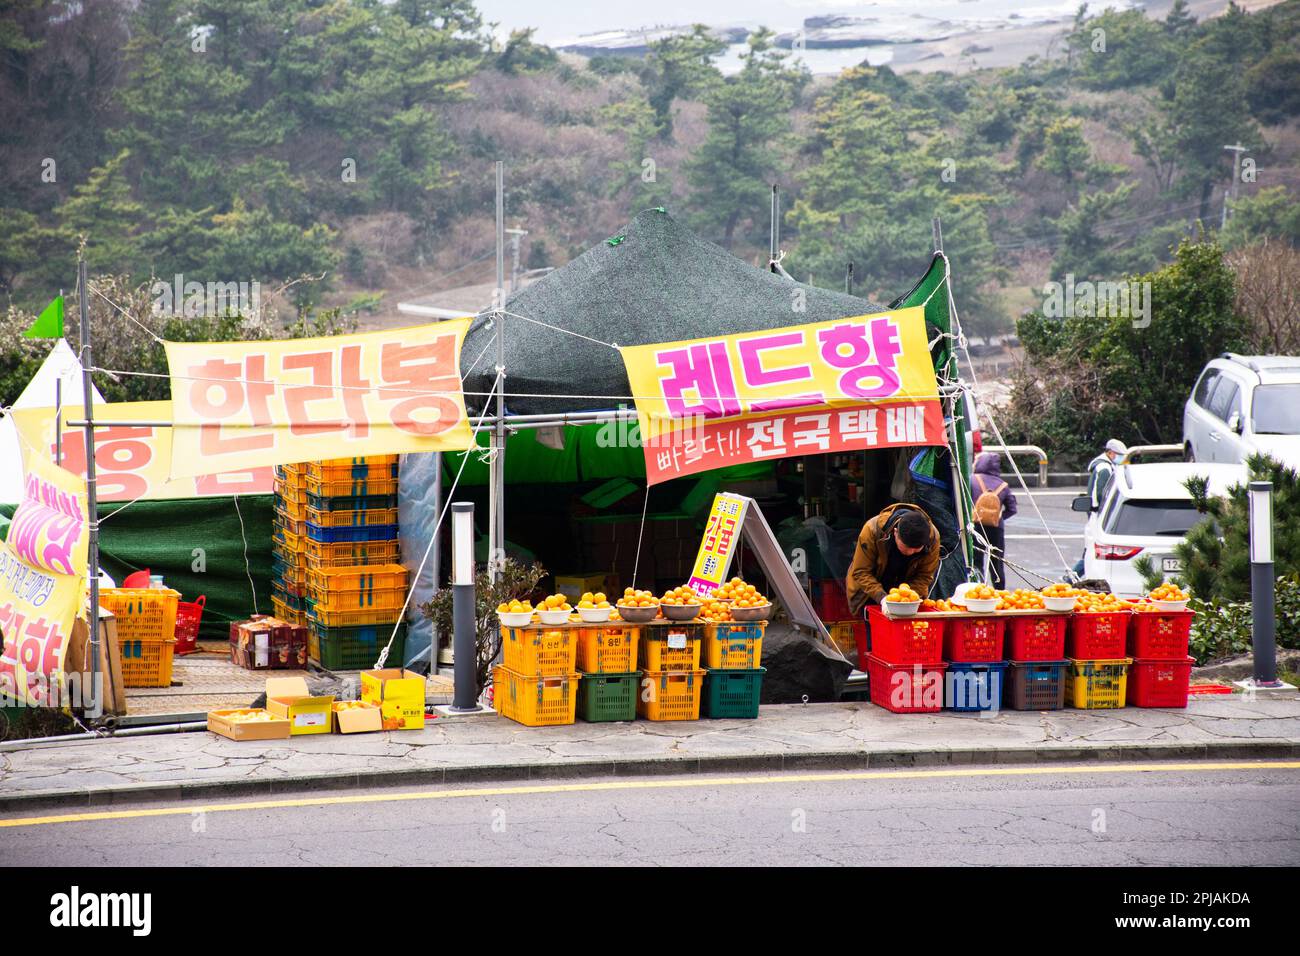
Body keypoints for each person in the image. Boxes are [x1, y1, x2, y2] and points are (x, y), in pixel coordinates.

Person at [846, 503, 941, 616]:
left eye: (916, 549)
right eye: (906, 547)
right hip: (871, 593)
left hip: (907, 599)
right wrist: (882, 598)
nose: (910, 552)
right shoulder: (872, 530)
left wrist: (908, 598)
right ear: (895, 532)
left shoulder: (932, 538)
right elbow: (861, 571)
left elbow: (925, 576)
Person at [1071, 438, 1127, 578]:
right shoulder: (1104, 468)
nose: (1121, 458)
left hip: (1096, 516)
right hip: (1098, 516)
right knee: (1091, 552)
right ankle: (1070, 579)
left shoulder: (1105, 466)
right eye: (1118, 455)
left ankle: (1071, 578)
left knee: (1090, 551)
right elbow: (1101, 495)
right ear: (1110, 453)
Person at [970, 451, 1018, 589]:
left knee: (976, 561)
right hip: (996, 528)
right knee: (996, 562)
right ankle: (1000, 592)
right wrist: (998, 517)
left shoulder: (972, 479)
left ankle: (976, 589)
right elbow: (1012, 508)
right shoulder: (1003, 485)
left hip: (976, 526)